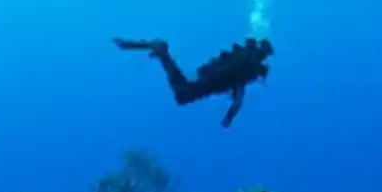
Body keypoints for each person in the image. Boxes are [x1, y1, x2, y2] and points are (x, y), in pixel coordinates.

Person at [113, 36, 274, 127]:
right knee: (182, 95)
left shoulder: (242, 63)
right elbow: (238, 100)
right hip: (208, 83)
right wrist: (229, 119)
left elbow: (237, 98)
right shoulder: (245, 72)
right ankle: (161, 51)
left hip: (206, 77)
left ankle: (159, 51)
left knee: (182, 91)